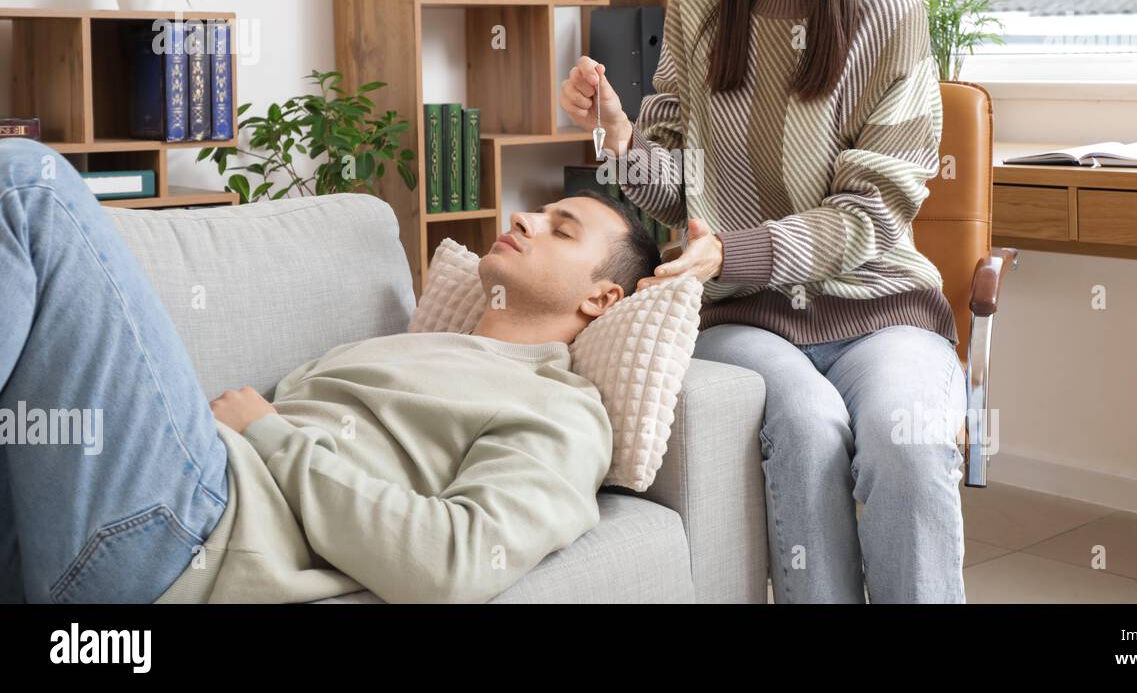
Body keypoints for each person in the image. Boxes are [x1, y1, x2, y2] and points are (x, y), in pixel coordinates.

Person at [559, 0, 967, 603]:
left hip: (878, 305)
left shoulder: (891, 18)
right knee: (808, 427)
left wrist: (726, 248)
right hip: (743, 313)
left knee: (908, 439)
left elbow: (872, 213)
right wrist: (618, 132)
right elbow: (673, 192)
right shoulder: (699, 13)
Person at [0, 134, 661, 603]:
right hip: (77, 521)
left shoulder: (559, 408)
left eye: (561, 228)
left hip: (191, 534)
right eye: (541, 210)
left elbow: (454, 561)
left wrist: (268, 434)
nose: (525, 217)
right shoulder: (399, 347)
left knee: (33, 183)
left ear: (603, 296)